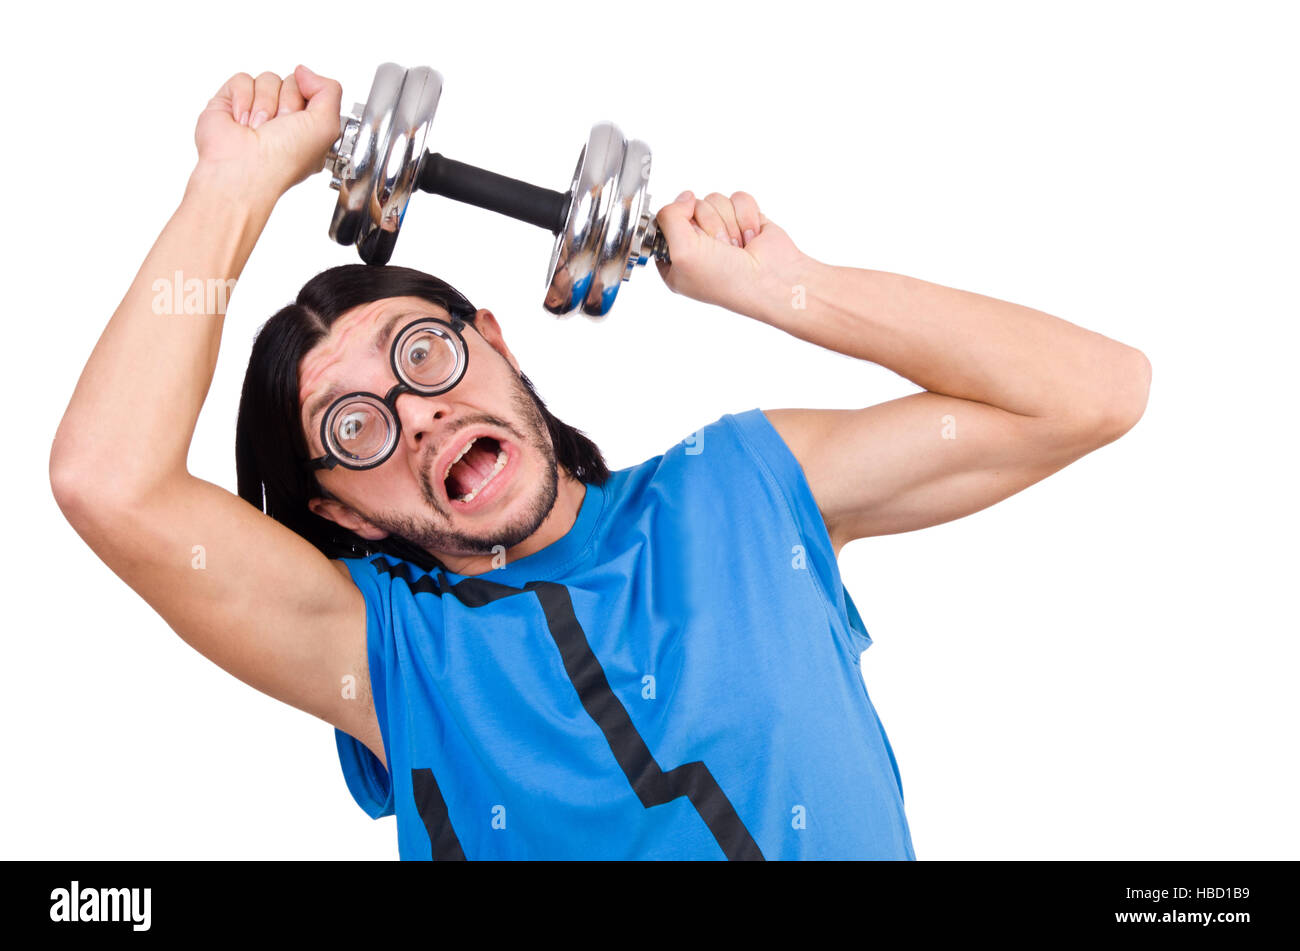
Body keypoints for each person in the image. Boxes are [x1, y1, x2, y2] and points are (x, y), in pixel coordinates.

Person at [49, 65, 1151, 860]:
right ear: (350, 515)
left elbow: (1092, 394)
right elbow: (109, 479)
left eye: (424, 355)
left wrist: (782, 289)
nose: (419, 418)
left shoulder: (747, 487)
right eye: (354, 429)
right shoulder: (383, 655)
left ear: (494, 336)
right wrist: (231, 188)